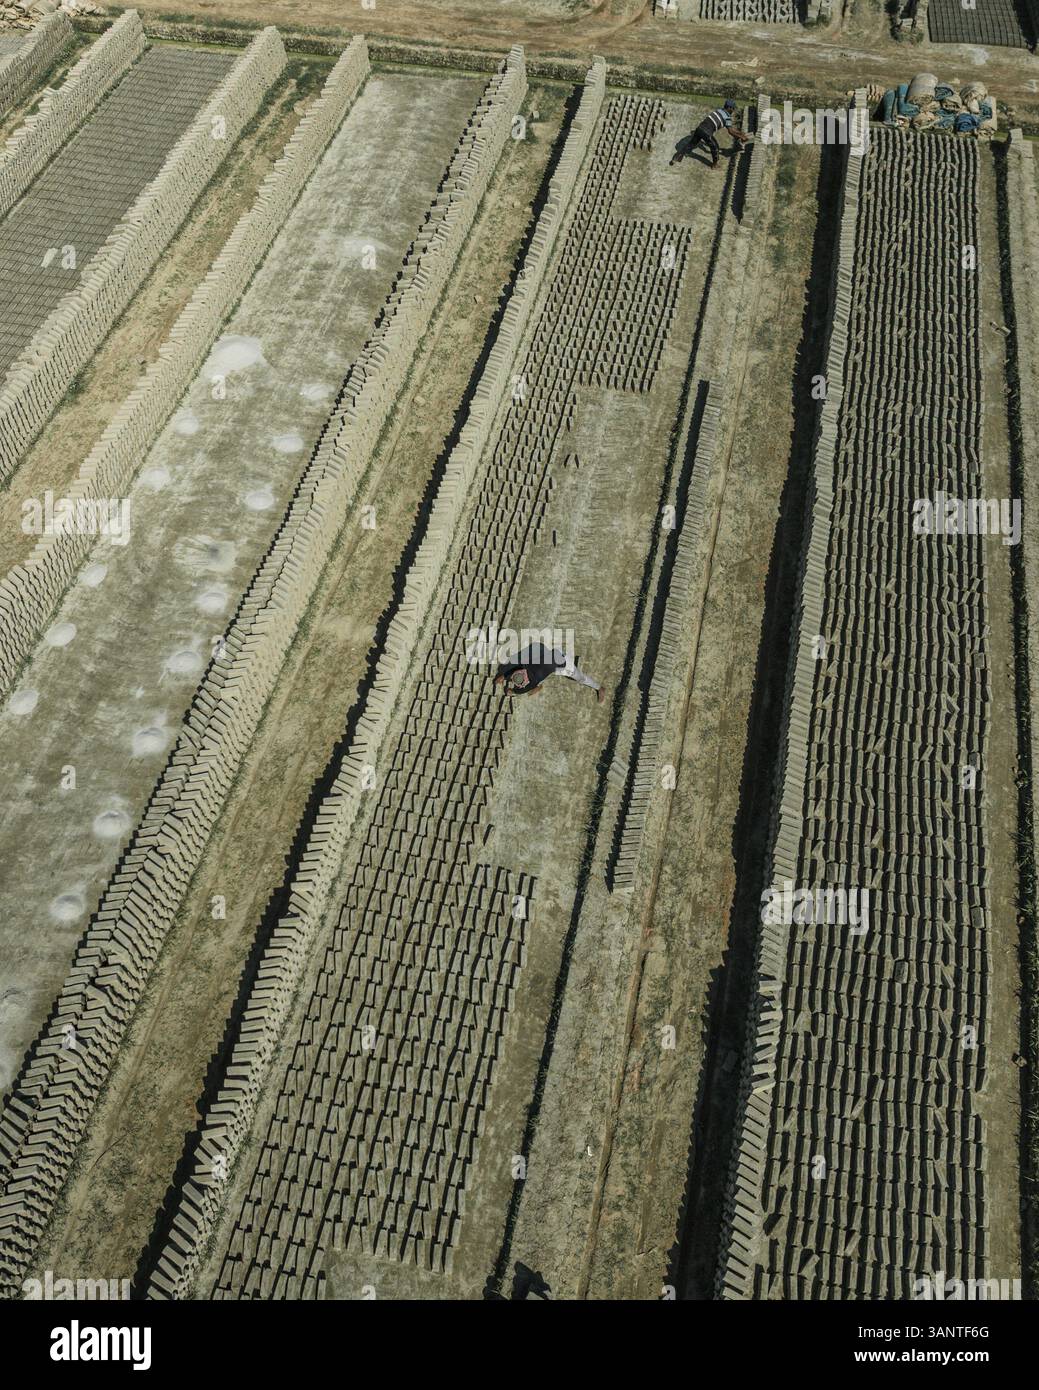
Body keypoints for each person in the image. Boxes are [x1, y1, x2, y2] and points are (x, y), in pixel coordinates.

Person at [495, 643, 606, 704]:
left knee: (580, 678)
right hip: (555, 652)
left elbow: (515, 691)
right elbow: (516, 671)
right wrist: (503, 676)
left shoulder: (531, 683)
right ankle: (539, 686)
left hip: (564, 663)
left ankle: (599, 688)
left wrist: (509, 690)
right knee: (548, 668)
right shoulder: (525, 666)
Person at [671, 99, 748, 170]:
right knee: (715, 147)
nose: (733, 110)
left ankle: (677, 157)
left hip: (699, 128)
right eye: (733, 108)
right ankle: (714, 165)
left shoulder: (718, 111)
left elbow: (732, 129)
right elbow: (731, 131)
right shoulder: (727, 117)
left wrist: (741, 134)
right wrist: (742, 137)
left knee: (691, 144)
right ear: (729, 108)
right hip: (707, 132)